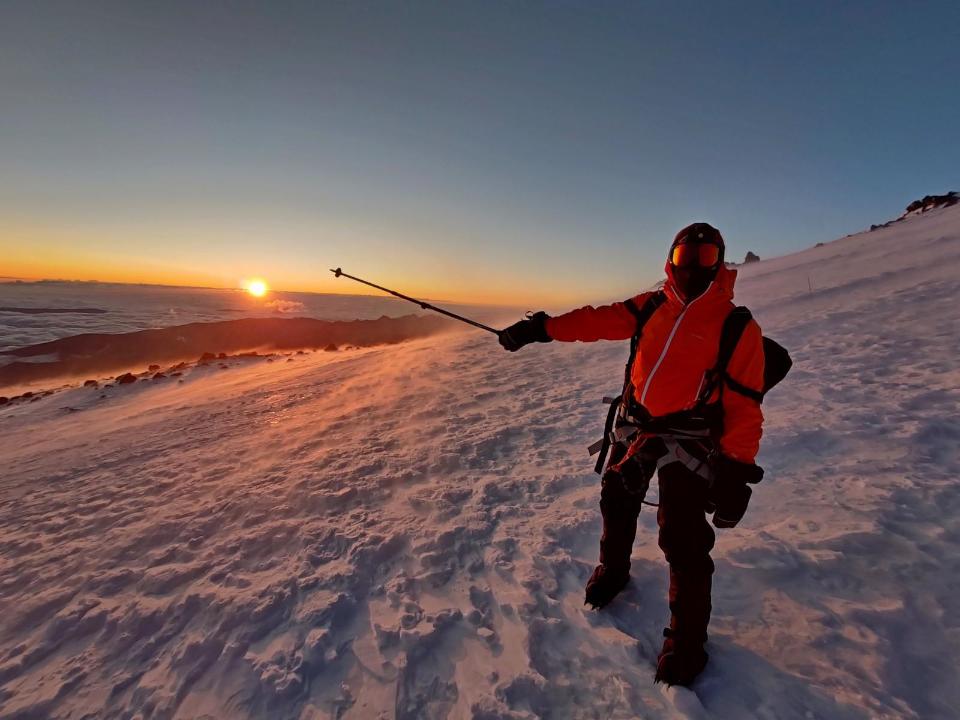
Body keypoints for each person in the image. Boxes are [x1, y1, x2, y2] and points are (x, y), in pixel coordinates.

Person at [498, 223, 766, 686]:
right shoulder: (652, 306)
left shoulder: (737, 326)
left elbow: (744, 406)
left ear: (719, 263)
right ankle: (614, 570)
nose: (694, 266)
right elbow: (596, 320)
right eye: (686, 255)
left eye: (705, 257)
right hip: (638, 426)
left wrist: (736, 471)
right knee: (616, 494)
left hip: (691, 440)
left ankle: (687, 644)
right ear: (671, 259)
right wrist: (541, 328)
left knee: (682, 539)